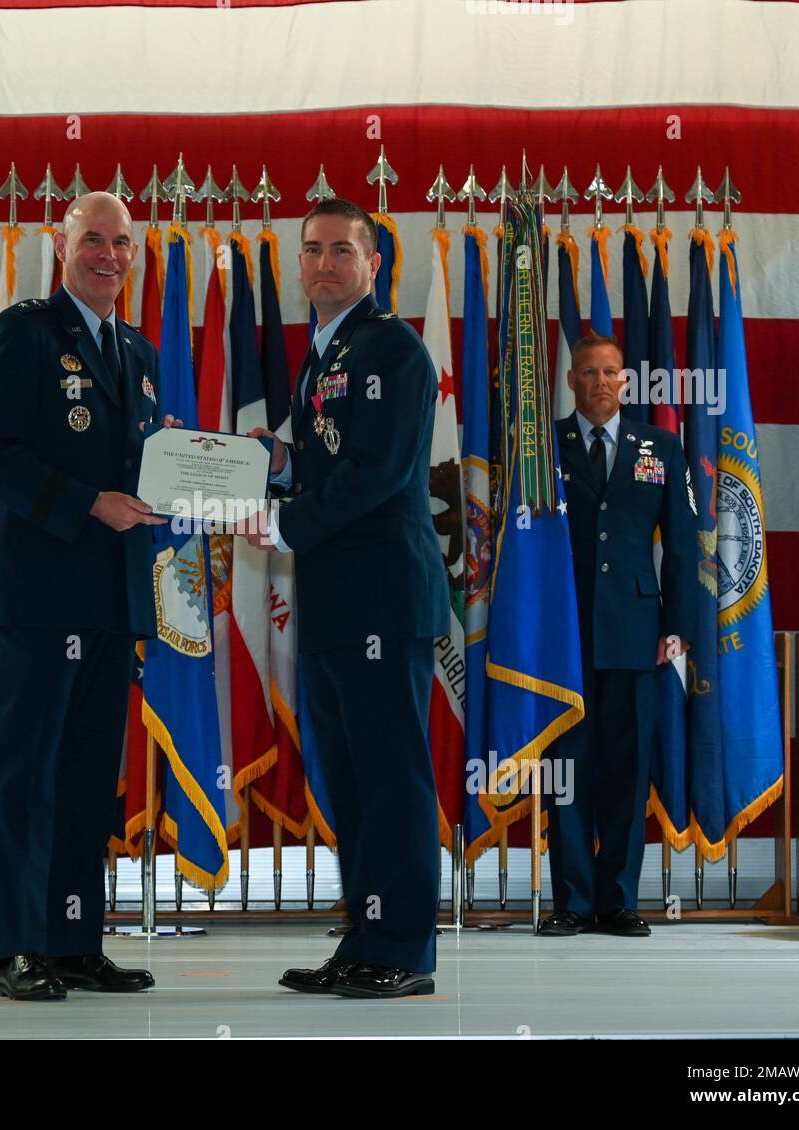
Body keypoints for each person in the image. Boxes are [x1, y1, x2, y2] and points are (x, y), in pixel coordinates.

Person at [0, 191, 173, 1000]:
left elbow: (139, 464)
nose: (109, 255)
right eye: (94, 239)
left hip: (112, 599)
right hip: (42, 597)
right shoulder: (24, 332)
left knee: (90, 780)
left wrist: (189, 471)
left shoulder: (139, 351)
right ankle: (18, 946)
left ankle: (75, 939)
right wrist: (88, 501)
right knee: (28, 776)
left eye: (122, 242)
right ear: (62, 245)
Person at [245, 198, 447, 999]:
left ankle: (404, 950)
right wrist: (279, 461)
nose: (324, 265)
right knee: (351, 781)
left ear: (373, 264)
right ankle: (365, 939)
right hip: (334, 602)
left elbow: (383, 471)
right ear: (298, 266)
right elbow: (335, 461)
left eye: (342, 251)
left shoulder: (392, 347)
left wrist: (288, 522)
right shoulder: (324, 353)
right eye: (313, 251)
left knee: (392, 779)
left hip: (381, 599)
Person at [538, 333, 698, 938]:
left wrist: (677, 626)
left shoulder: (660, 445)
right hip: (565, 634)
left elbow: (682, 542)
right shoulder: (544, 446)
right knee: (569, 771)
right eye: (588, 373)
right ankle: (573, 902)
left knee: (629, 772)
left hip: (637, 632)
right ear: (572, 380)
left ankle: (618, 901)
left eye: (611, 373)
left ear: (626, 382)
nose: (601, 382)